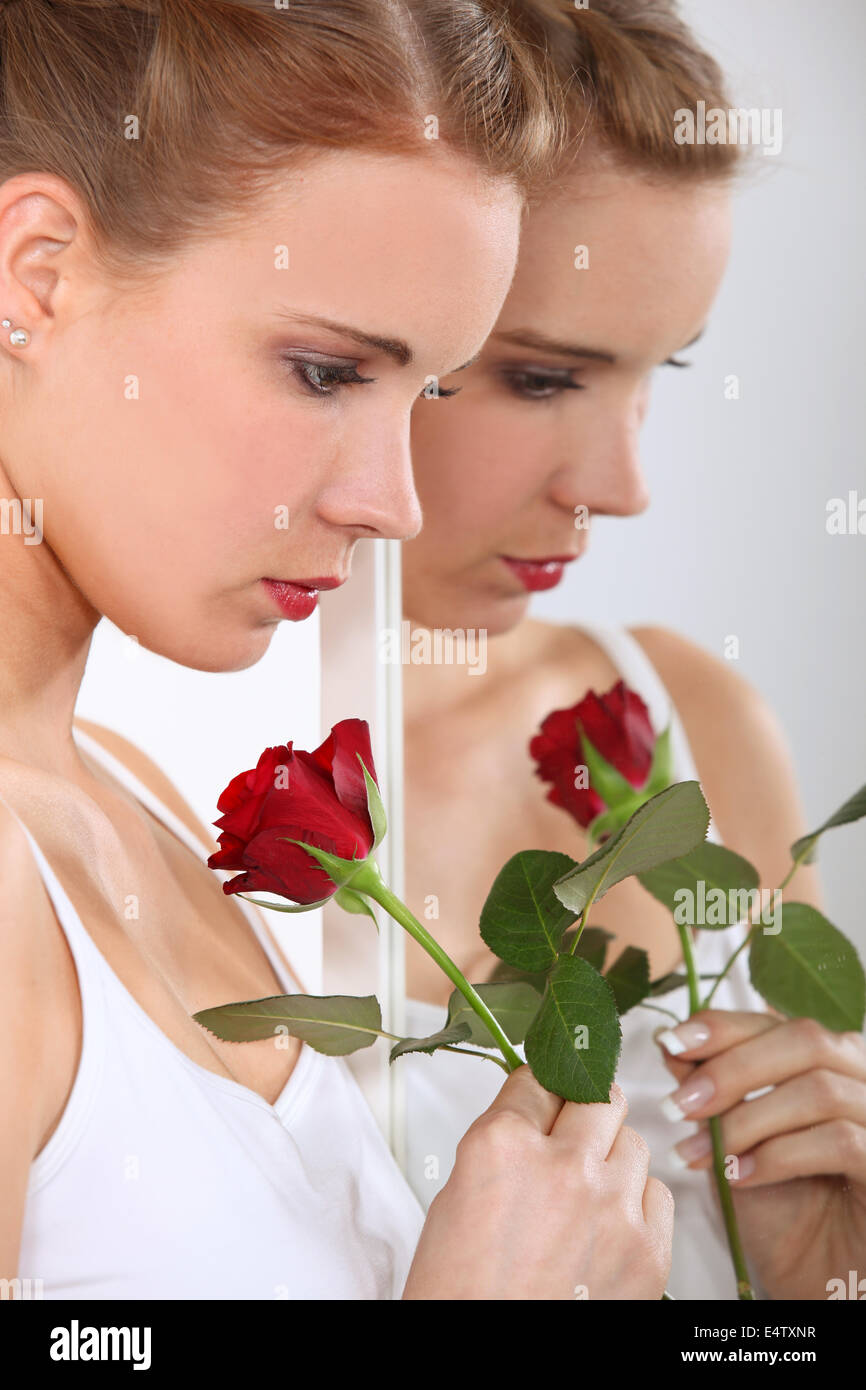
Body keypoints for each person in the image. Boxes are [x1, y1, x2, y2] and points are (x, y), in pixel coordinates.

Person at [0, 0, 674, 1301]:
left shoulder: (127, 797)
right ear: (37, 274)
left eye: (420, 390)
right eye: (322, 371)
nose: (391, 503)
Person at [399, 0, 866, 1300]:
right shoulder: (123, 784)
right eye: (545, 378)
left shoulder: (694, 716)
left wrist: (823, 1285)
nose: (620, 486)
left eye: (658, 374)